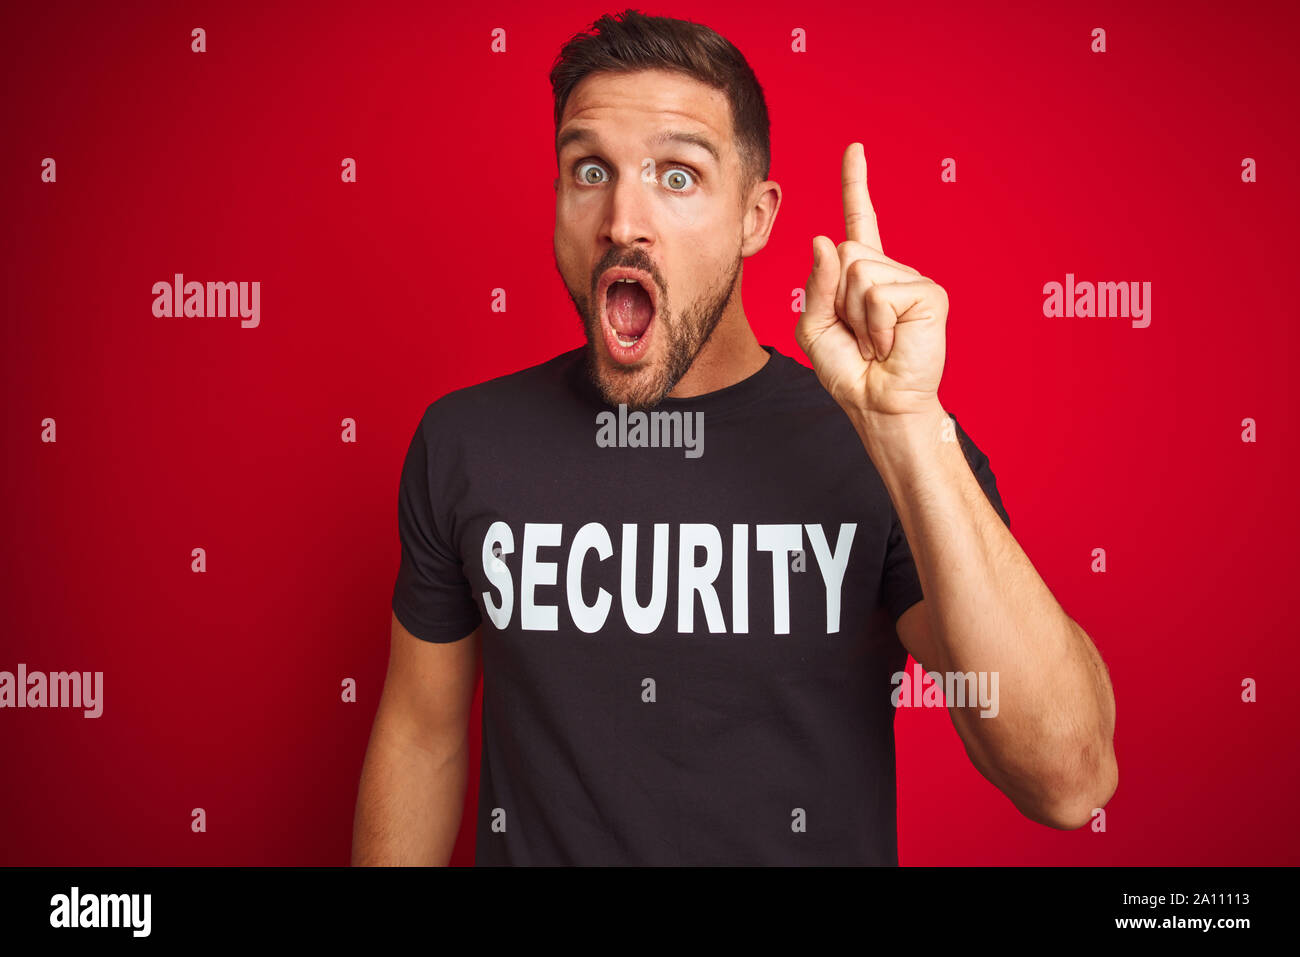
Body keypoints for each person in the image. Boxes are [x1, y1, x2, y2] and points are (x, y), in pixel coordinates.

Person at [352, 9, 1117, 866]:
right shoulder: (466, 443)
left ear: (757, 218)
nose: (621, 221)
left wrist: (908, 431)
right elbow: (422, 736)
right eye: (590, 168)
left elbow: (1068, 778)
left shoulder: (880, 452)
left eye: (678, 175)